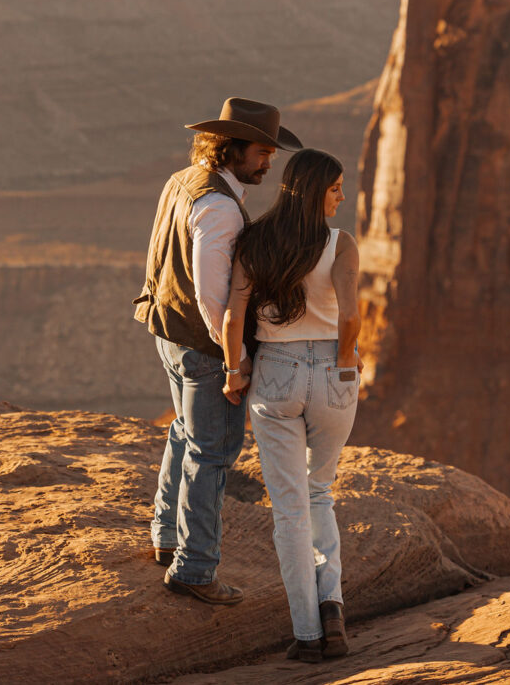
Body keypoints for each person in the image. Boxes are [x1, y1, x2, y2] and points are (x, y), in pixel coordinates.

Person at [134, 97, 302, 605]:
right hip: (204, 348)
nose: (268, 162)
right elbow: (213, 294)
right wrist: (234, 360)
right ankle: (195, 568)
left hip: (167, 328)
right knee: (213, 453)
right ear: (231, 147)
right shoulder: (220, 206)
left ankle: (167, 538)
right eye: (261, 151)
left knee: (186, 433)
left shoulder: (183, 179)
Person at [222, 148, 362, 660]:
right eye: (335, 188)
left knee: (289, 510)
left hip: (276, 373)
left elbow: (233, 318)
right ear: (312, 191)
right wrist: (345, 360)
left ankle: (307, 635)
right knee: (319, 491)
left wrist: (234, 370)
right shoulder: (339, 243)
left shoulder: (255, 239)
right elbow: (350, 316)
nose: (342, 197)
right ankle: (333, 607)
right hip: (333, 373)